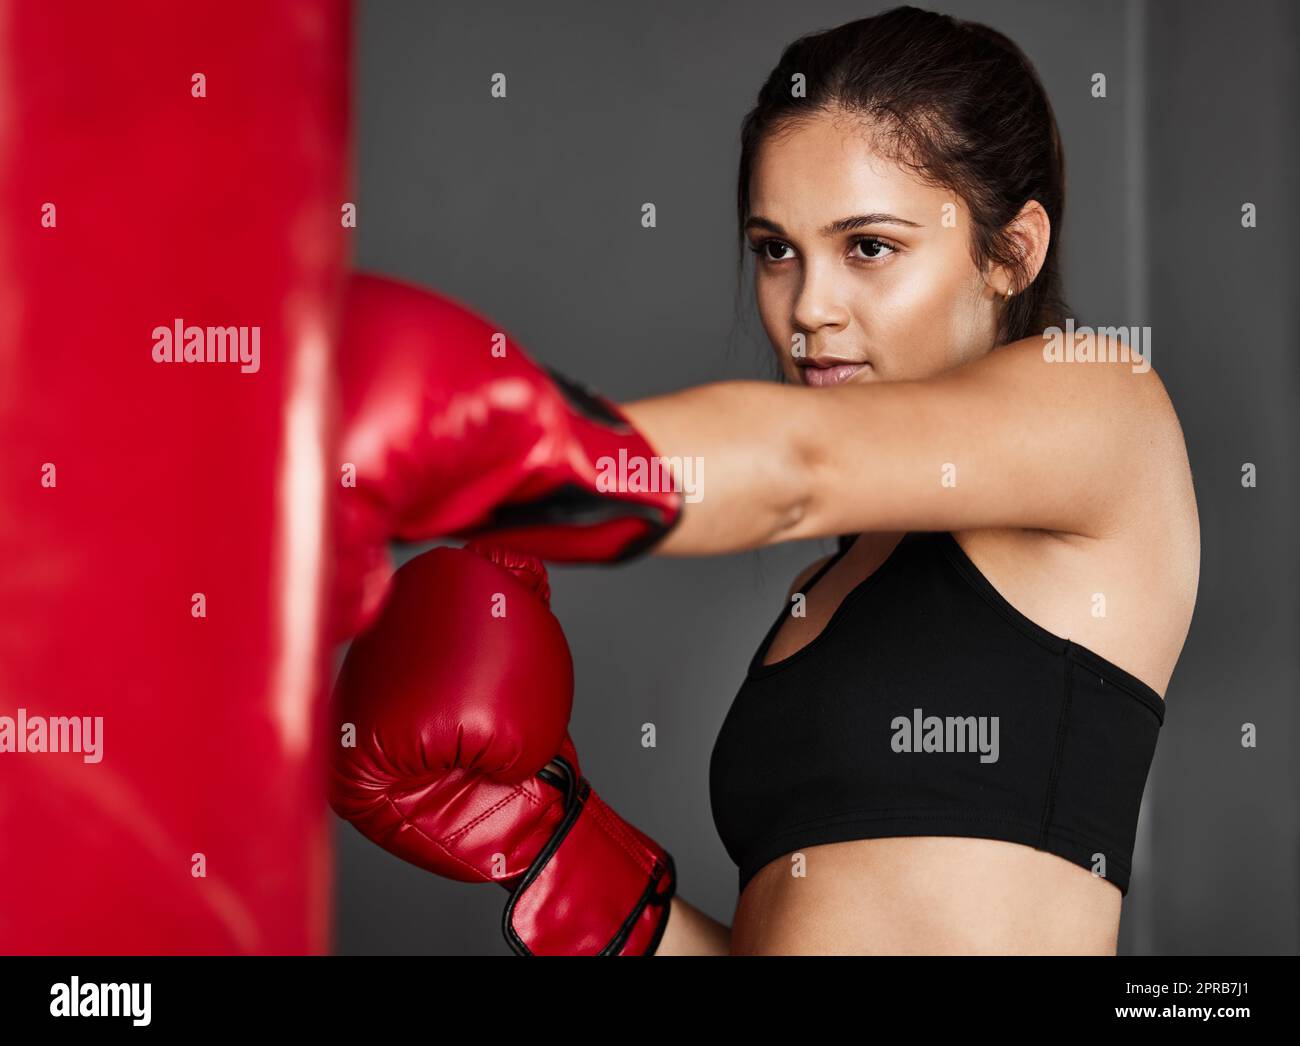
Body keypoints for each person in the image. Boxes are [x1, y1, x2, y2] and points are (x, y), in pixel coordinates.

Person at [331, 6, 1198, 955]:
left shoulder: (1106, 407)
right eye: (777, 249)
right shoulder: (819, 592)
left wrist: (486, 455)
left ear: (1009, 252)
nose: (809, 308)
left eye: (869, 247)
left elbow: (798, 464)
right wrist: (551, 848)